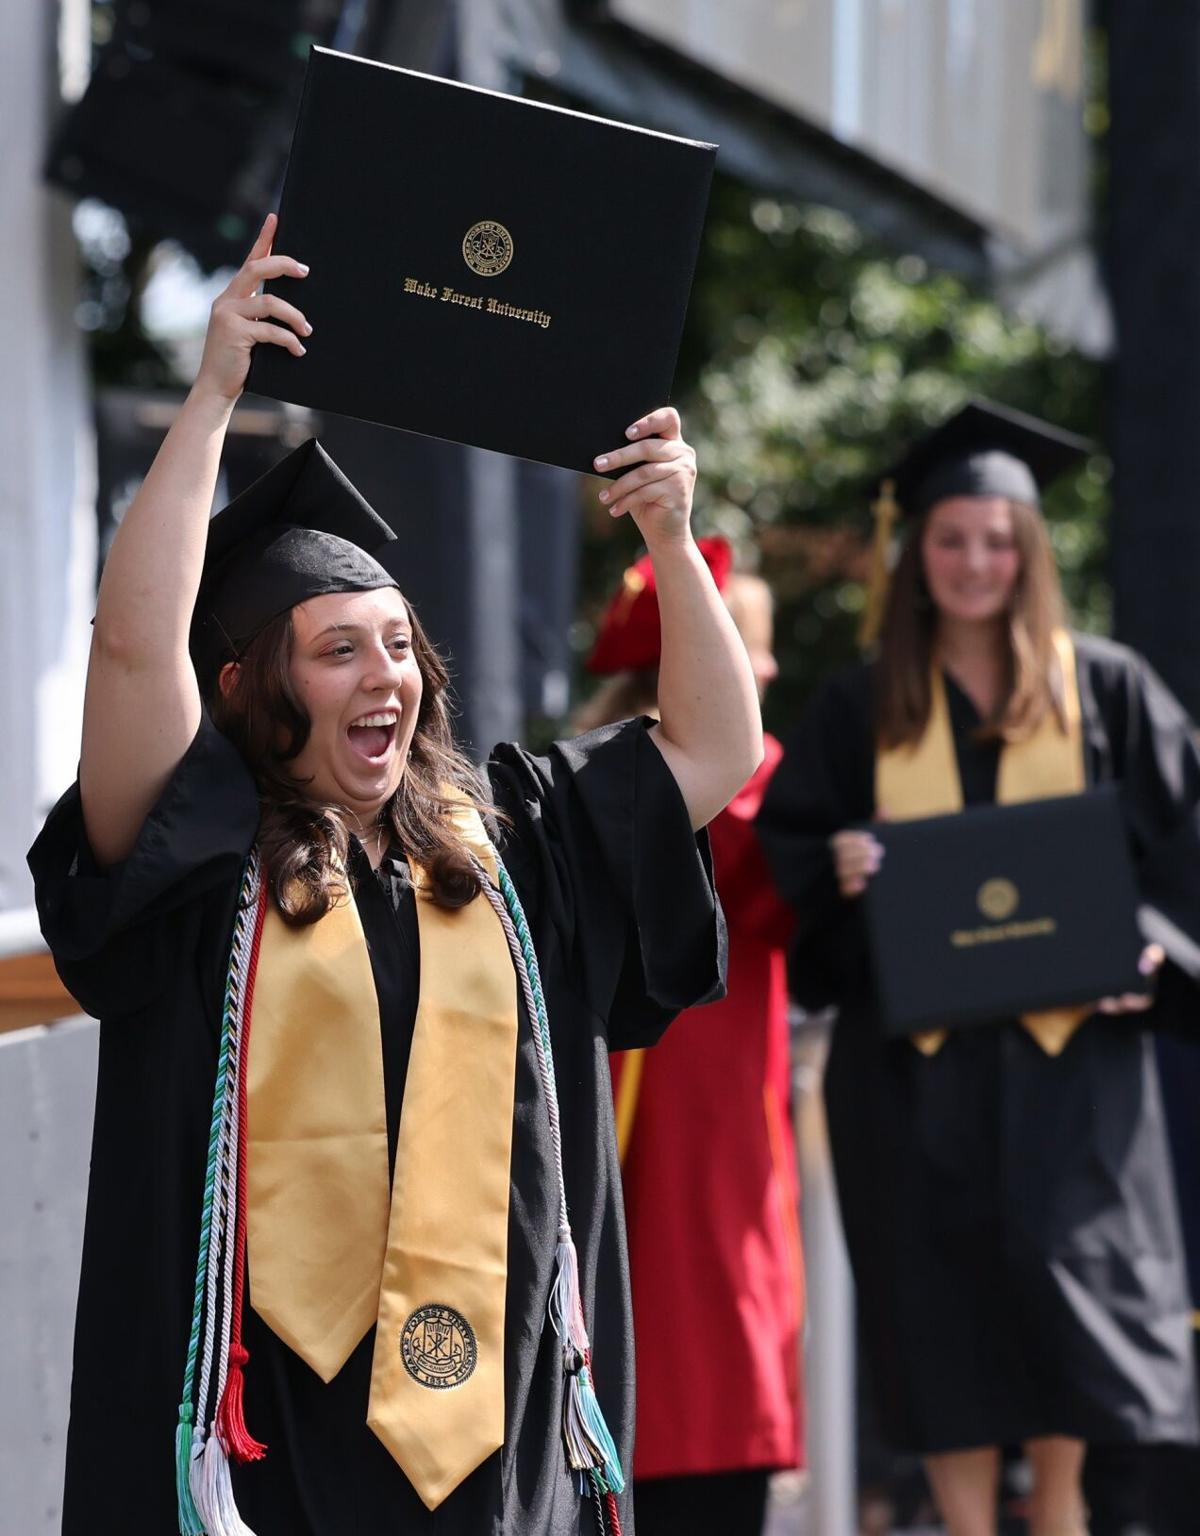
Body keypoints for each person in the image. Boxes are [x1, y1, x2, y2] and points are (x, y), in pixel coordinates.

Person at [29, 214, 763, 1536]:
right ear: (248, 684)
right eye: (338, 652)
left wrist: (667, 529)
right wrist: (210, 402)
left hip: (500, 1405)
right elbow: (137, 655)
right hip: (272, 1428)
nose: (388, 678)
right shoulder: (202, 859)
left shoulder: (511, 834)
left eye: (397, 644)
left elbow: (716, 744)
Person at [755, 399, 1200, 1536]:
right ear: (917, 556)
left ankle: (1058, 1518)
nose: (974, 563)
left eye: (998, 540)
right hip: (919, 1082)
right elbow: (796, 890)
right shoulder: (861, 706)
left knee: (1071, 1321)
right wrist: (846, 872)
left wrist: (1151, 951)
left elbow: (1182, 860)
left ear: (1030, 551)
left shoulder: (1105, 688)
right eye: (950, 539)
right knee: (942, 1322)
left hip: (1075, 1073)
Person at [578, 540, 804, 1535]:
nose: (767, 672)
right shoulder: (746, 786)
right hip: (697, 1140)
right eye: (752, 649)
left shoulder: (570, 785)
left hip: (627, 1131)